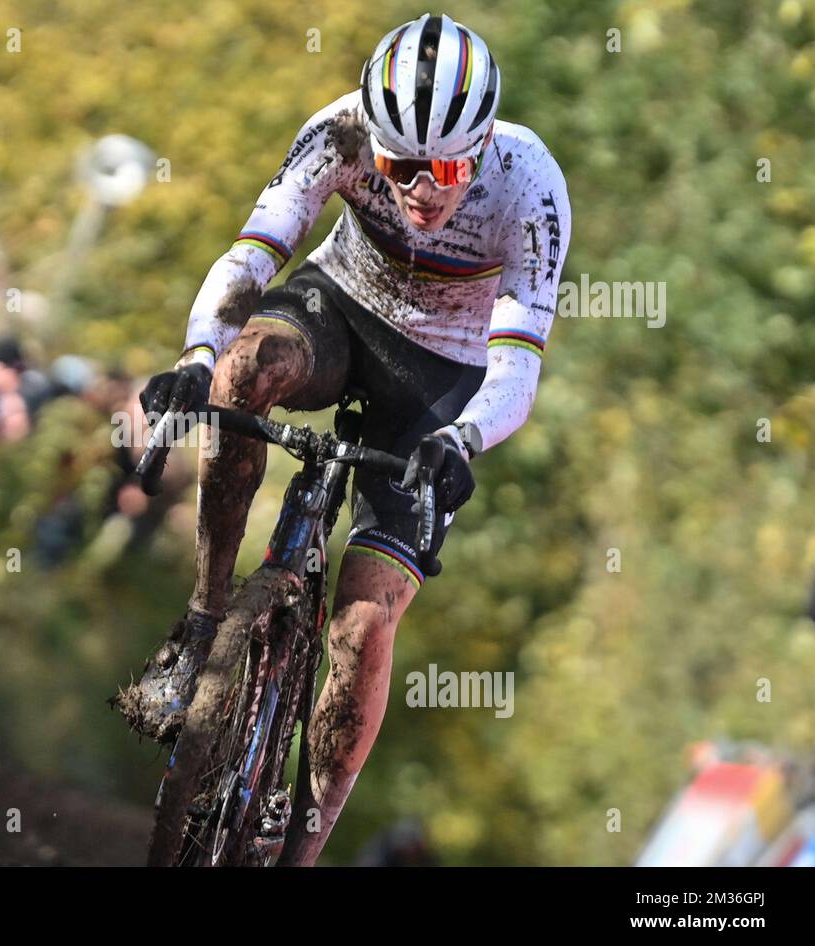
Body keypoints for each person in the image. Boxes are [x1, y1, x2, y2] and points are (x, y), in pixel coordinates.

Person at [122, 13, 572, 865]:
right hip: (341, 306)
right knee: (243, 374)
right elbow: (252, 255)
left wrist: (465, 440)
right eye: (402, 166)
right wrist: (194, 356)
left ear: (480, 149)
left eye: (446, 167)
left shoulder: (529, 186)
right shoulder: (337, 132)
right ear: (375, 138)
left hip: (445, 376)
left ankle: (308, 844)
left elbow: (518, 368)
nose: (424, 189)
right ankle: (204, 621)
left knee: (364, 624)